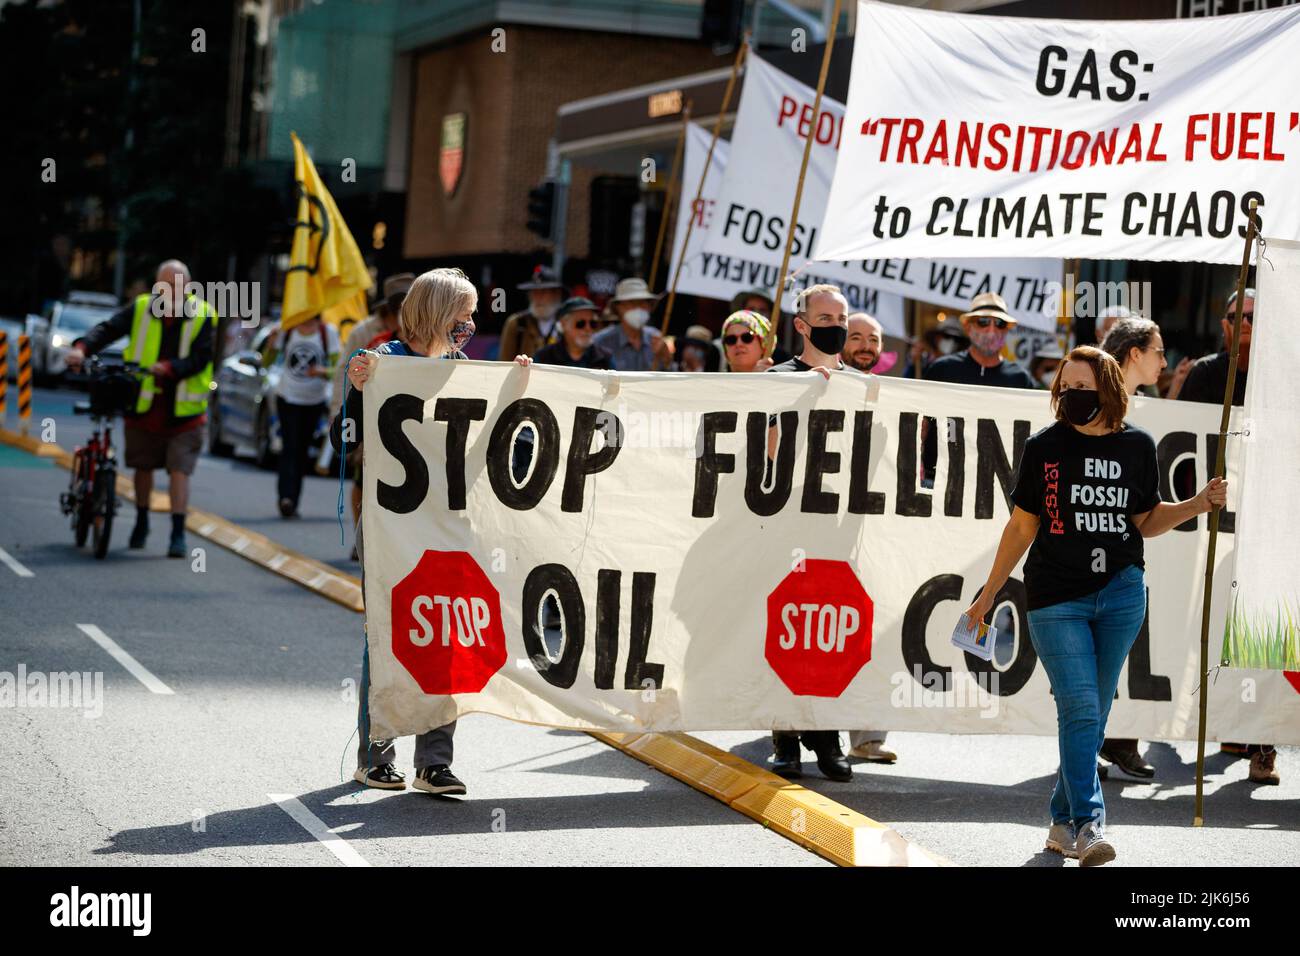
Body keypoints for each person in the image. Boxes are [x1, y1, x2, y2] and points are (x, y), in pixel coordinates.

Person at [964, 345, 1227, 865]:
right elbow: (1023, 525)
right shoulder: (1045, 447)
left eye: (1083, 388)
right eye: (1065, 388)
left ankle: (1060, 821)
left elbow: (1145, 521)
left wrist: (1196, 504)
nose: (1072, 397)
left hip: (1123, 594)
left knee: (1092, 714)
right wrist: (989, 592)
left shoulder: (1137, 446)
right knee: (1082, 707)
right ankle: (1089, 823)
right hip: (1056, 598)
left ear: (1108, 387)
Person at [332, 267, 532, 797]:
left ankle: (434, 762)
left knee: (448, 639)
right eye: (463, 315)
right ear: (436, 312)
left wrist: (516, 387)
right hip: (393, 528)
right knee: (390, 638)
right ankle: (376, 754)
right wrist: (356, 393)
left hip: (449, 529)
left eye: (471, 315)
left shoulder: (465, 369)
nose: (471, 324)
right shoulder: (384, 362)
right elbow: (341, 437)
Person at [1175, 287, 1278, 786]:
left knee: (1262, 627)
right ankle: (1210, 720)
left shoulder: (1283, 372)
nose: (1247, 325)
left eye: (1256, 318)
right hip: (1212, 516)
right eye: (1238, 316)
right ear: (1223, 323)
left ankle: (1263, 742)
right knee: (1207, 621)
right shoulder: (1206, 374)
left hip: (1267, 521)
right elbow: (1180, 440)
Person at [765, 283, 858, 782]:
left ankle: (828, 735)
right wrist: (805, 395)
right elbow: (769, 451)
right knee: (786, 628)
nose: (835, 327)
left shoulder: (861, 385)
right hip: (788, 530)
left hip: (837, 532)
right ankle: (785, 738)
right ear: (801, 326)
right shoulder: (778, 379)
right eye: (824, 319)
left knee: (832, 632)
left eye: (840, 317)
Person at [65, 259, 216, 558]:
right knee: (142, 467)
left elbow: (201, 358)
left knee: (179, 470)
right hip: (144, 403)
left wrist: (170, 368)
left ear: (188, 287)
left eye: (175, 285)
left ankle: (177, 533)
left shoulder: (203, 314)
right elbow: (108, 330)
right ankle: (142, 520)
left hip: (184, 411)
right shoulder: (142, 307)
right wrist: (80, 348)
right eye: (163, 285)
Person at [1094, 316, 1177, 782]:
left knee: (1124, 652)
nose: (1165, 361)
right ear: (1134, 355)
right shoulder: (1090, 405)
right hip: (1091, 553)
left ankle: (1118, 741)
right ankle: (1093, 748)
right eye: (1158, 351)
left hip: (1134, 549)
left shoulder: (1151, 411)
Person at [331, 273, 414, 553]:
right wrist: (343, 415)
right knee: (363, 479)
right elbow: (347, 376)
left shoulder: (448, 353)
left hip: (411, 433)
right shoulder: (377, 343)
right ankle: (363, 540)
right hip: (374, 426)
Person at [921, 292, 1035, 488]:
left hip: (998, 485)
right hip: (941, 478)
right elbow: (921, 424)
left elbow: (1029, 437)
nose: (991, 329)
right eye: (983, 322)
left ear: (1006, 330)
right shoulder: (941, 369)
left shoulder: (1020, 379)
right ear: (968, 327)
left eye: (999, 323)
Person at [261, 314, 339, 518]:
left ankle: (294, 499)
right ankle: (285, 498)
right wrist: (270, 343)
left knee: (302, 450)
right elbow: (266, 363)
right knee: (290, 447)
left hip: (314, 400)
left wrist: (322, 371)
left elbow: (337, 371)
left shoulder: (327, 332)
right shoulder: (286, 329)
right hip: (287, 397)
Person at [592, 277, 674, 371]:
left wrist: (667, 359)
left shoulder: (656, 337)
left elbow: (671, 378)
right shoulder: (601, 341)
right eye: (632, 302)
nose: (639, 307)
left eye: (644, 302)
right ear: (618, 307)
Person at [499, 264, 564, 361]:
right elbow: (504, 362)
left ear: (556, 294)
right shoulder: (516, 323)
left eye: (543, 292)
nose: (538, 297)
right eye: (534, 292)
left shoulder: (566, 323)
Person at [532, 297, 613, 369]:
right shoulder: (544, 357)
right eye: (580, 323)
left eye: (592, 323)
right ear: (563, 325)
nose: (588, 328)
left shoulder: (605, 358)